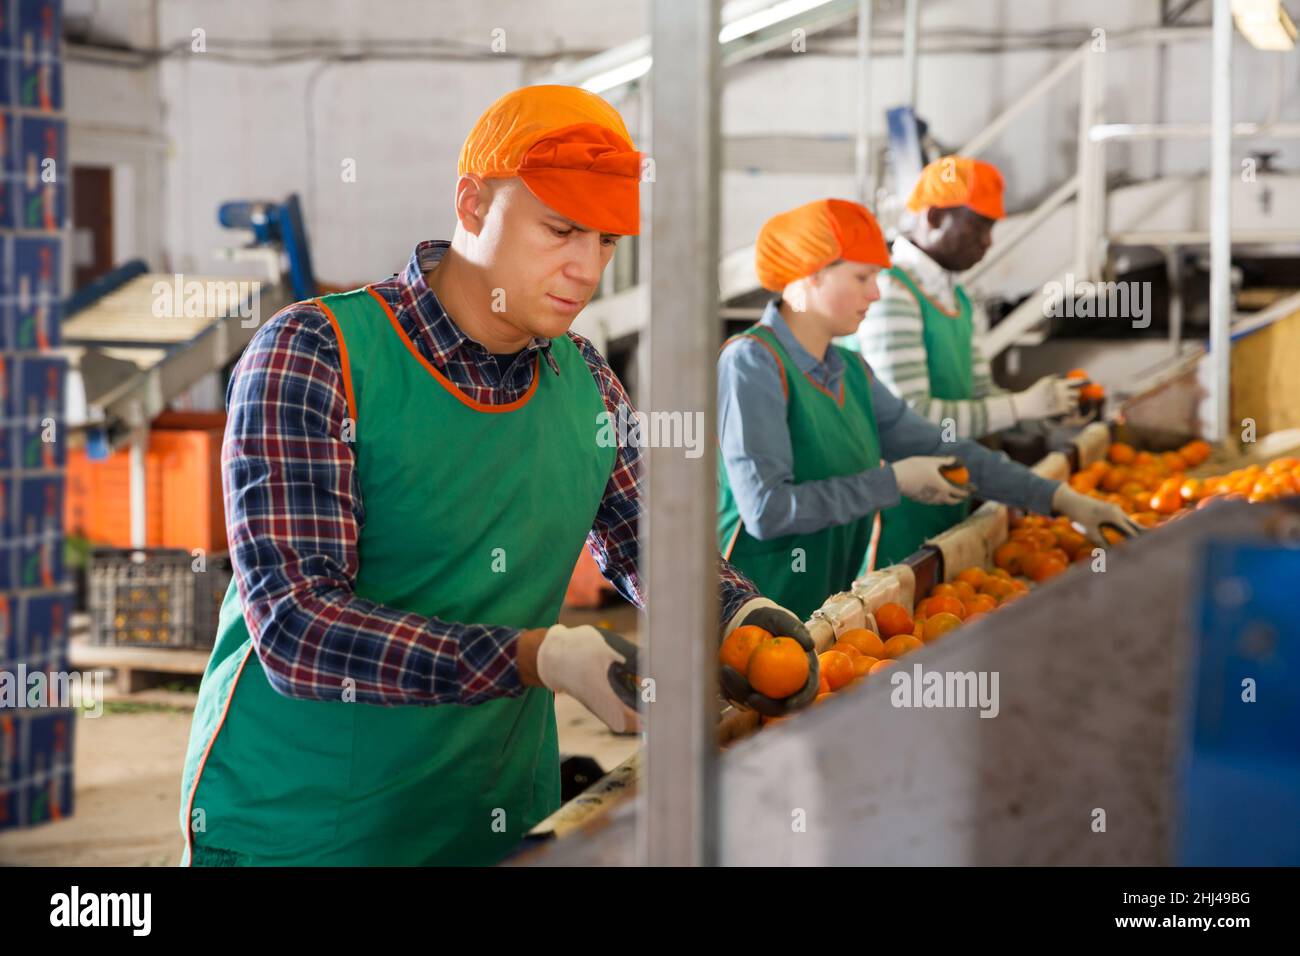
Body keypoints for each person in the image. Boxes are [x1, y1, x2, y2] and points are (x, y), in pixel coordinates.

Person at [179, 85, 812, 867]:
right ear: (472, 204)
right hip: (310, 829)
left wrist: (738, 613)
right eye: (561, 229)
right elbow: (297, 628)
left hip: (497, 816)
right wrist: (535, 657)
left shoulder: (584, 379)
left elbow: (648, 545)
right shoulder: (316, 356)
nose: (588, 269)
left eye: (609, 241)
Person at [717, 198, 1138, 618]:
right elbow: (768, 511)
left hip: (819, 616)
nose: (876, 292)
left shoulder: (850, 370)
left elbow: (942, 446)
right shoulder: (752, 362)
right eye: (862, 277)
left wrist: (1063, 500)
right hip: (750, 617)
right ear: (810, 276)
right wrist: (894, 480)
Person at [843, 155, 1087, 564]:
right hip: (896, 508)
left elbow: (981, 396)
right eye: (979, 226)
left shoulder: (959, 299)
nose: (988, 243)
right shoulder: (889, 293)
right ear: (936, 216)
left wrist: (1044, 411)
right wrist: (1019, 406)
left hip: (951, 489)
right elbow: (913, 418)